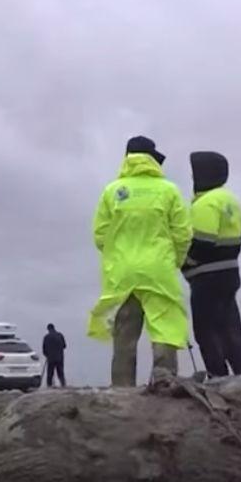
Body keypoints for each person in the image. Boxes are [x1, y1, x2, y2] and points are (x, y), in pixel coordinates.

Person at [88, 136, 192, 386]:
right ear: (152, 160)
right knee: (165, 329)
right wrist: (173, 261)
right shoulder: (169, 190)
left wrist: (117, 257)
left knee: (124, 337)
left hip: (123, 273)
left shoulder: (112, 191)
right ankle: (165, 385)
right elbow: (183, 234)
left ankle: (122, 393)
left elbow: (100, 235)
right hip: (158, 270)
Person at [182, 150, 241, 378]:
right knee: (231, 331)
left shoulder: (205, 204)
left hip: (206, 277)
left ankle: (219, 380)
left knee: (206, 332)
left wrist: (184, 262)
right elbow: (239, 238)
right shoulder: (231, 201)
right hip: (230, 273)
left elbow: (203, 242)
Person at [42, 323, 67, 387]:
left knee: (50, 373)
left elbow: (44, 349)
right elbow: (64, 346)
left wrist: (47, 354)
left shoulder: (46, 337)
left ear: (48, 329)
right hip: (60, 358)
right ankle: (63, 384)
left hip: (51, 358)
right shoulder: (60, 335)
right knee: (60, 372)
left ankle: (49, 385)